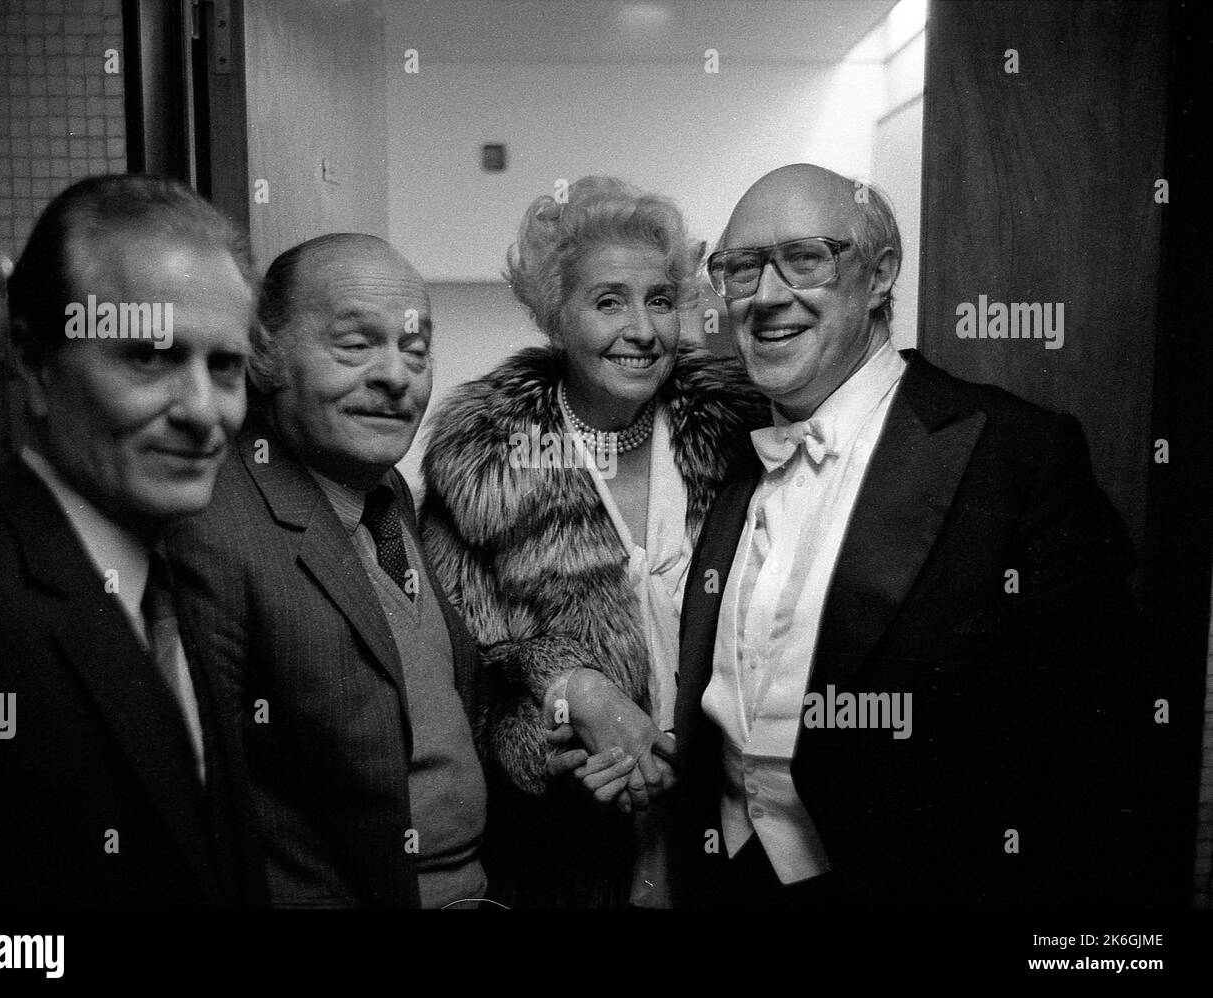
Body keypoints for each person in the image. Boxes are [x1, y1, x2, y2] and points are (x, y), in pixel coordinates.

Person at [669, 163, 1141, 907]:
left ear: (881, 274)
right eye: (740, 268)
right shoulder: (730, 457)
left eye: (805, 258)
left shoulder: (1016, 457)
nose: (765, 296)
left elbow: (1088, 756)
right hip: (727, 880)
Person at [0, 174, 264, 907]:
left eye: (224, 366)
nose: (204, 412)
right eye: (149, 358)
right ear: (33, 365)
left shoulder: (171, 585)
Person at [420, 176, 770, 907]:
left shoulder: (743, 439)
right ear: (557, 315)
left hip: (739, 837)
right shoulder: (483, 465)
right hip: (570, 857)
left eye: (661, 300)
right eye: (609, 301)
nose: (641, 329)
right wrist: (563, 717)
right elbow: (474, 684)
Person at [165, 233, 486, 908]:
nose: (396, 375)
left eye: (415, 348)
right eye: (356, 344)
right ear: (266, 352)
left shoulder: (384, 488)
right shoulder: (215, 528)